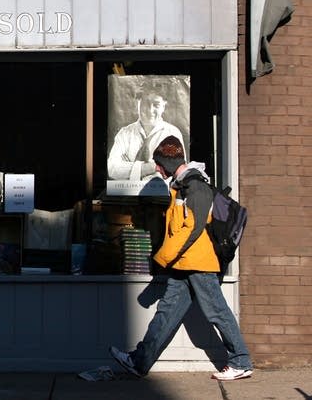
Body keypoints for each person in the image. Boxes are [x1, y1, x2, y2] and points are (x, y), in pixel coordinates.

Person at [109, 135, 254, 381]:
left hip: (198, 263)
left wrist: (162, 256)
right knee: (167, 312)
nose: (155, 168)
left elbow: (192, 228)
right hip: (184, 262)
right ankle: (139, 361)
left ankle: (241, 360)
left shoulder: (194, 186)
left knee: (216, 310)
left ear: (168, 162)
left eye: (158, 163)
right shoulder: (180, 185)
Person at [107, 86, 185, 180]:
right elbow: (112, 168)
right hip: (126, 192)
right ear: (138, 103)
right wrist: (152, 167)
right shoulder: (124, 134)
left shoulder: (172, 133)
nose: (150, 110)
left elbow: (178, 171)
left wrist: (129, 167)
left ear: (163, 107)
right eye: (145, 104)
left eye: (156, 105)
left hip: (162, 193)